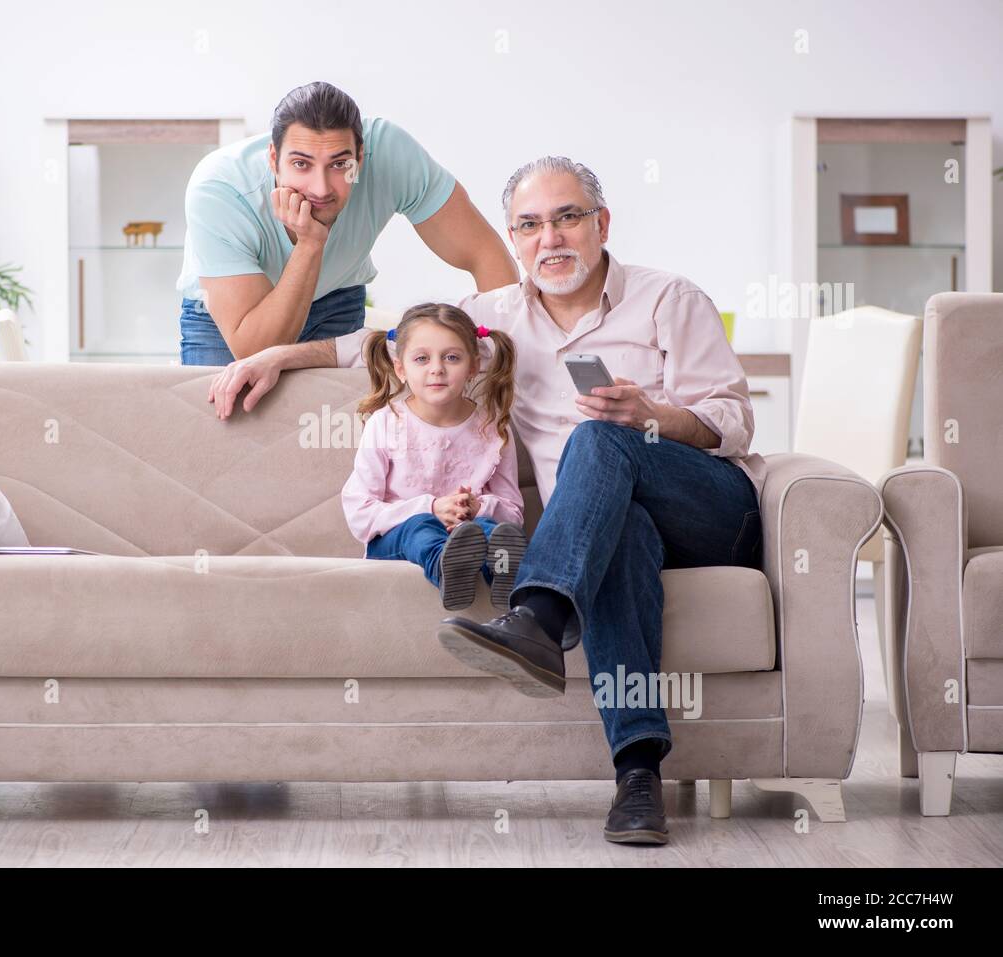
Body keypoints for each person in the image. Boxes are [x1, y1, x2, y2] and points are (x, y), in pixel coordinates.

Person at [204, 156, 767, 847]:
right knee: (621, 530)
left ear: (602, 224)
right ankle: (638, 778)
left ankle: (538, 616)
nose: (549, 239)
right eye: (529, 225)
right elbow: (386, 342)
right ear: (513, 239)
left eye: (567, 218)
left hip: (710, 508)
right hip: (612, 525)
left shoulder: (668, 300)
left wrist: (653, 416)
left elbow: (733, 421)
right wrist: (275, 356)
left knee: (600, 436)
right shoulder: (494, 319)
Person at [176, 81, 517, 365]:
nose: (320, 188)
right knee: (229, 421)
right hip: (233, 322)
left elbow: (483, 253)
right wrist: (311, 243)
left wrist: (501, 362)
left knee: (337, 423)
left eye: (340, 165)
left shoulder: (390, 155)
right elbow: (257, 353)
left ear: (361, 157)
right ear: (274, 160)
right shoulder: (220, 190)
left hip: (335, 300)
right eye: (301, 164)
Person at [341, 303, 525, 611]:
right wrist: (431, 508)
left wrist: (478, 508)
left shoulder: (494, 429)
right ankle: (446, 568)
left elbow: (514, 513)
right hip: (398, 539)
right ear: (401, 368)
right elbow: (360, 512)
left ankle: (504, 573)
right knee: (421, 526)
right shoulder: (385, 423)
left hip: (466, 534)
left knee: (488, 530)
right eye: (422, 359)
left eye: (451, 357)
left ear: (473, 366)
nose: (437, 368)